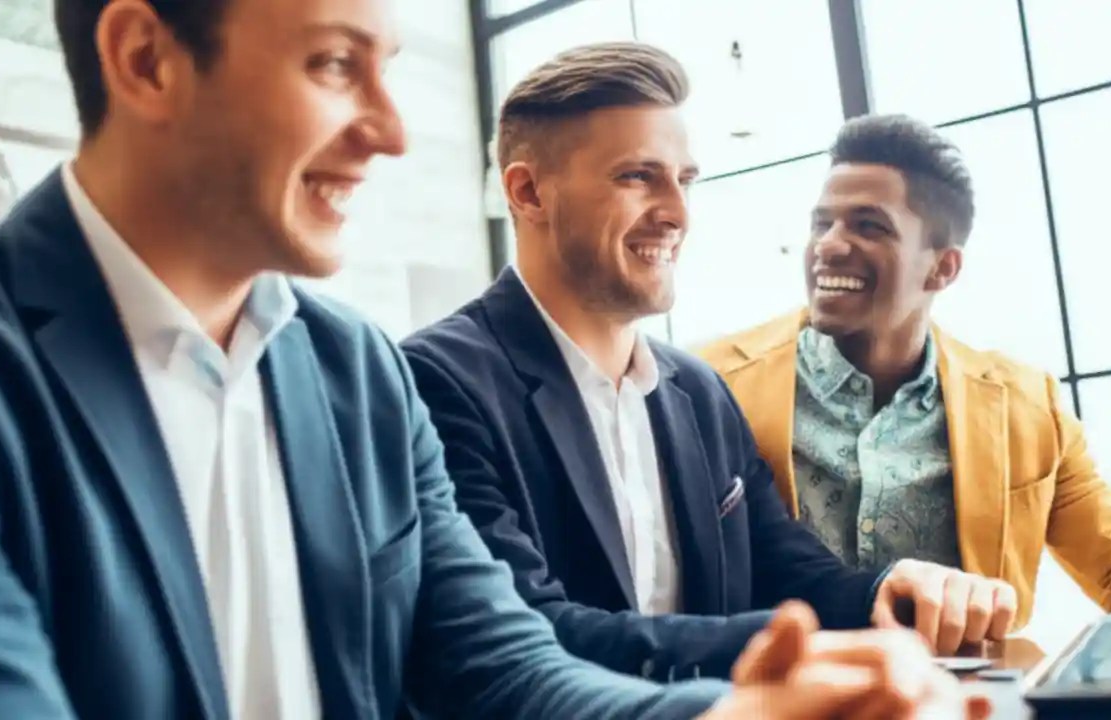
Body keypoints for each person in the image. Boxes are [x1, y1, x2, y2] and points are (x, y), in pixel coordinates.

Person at [0, 0, 987, 717]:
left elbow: (497, 665)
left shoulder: (354, 373)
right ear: (147, 59)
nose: (391, 133)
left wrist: (734, 713)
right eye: (334, 64)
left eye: (388, 69)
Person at [402, 41, 1017, 685]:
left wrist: (887, 591)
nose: (676, 213)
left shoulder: (696, 390)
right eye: (637, 177)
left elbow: (784, 567)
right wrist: (791, 647)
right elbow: (524, 632)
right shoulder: (435, 381)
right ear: (528, 192)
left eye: (685, 180)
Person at [698, 113, 1111, 631]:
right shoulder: (714, 385)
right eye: (822, 223)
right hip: (773, 677)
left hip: (966, 682)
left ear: (943, 267)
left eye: (869, 226)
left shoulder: (1026, 407)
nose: (829, 245)